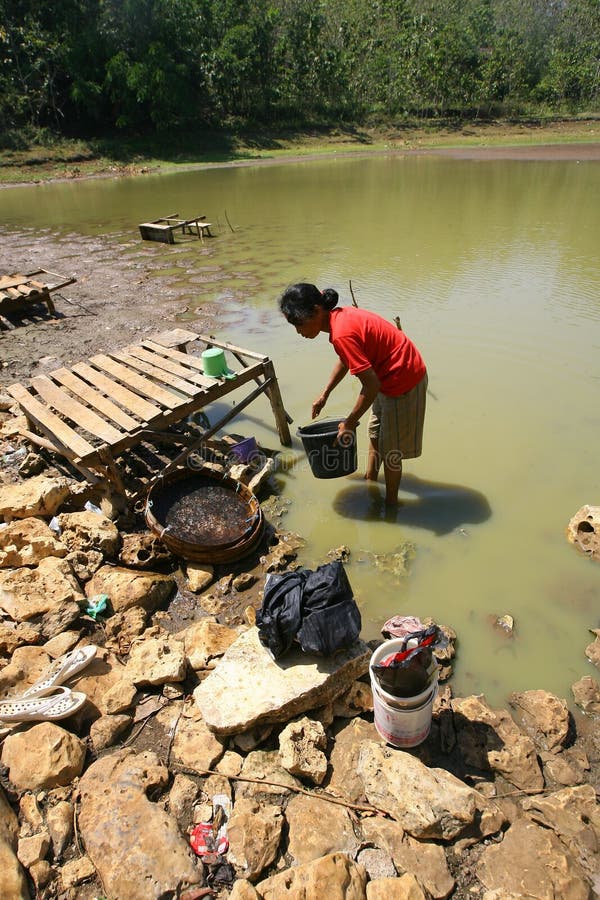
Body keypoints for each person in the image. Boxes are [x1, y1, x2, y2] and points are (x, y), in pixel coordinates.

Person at [279, 282, 427, 505]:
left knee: (392, 453)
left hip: (402, 380)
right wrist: (325, 394)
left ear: (317, 311)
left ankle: (391, 506)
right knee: (375, 435)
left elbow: (370, 386)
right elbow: (346, 359)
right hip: (384, 377)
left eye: (299, 324)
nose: (299, 332)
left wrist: (348, 422)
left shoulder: (341, 333)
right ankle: (370, 481)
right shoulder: (340, 318)